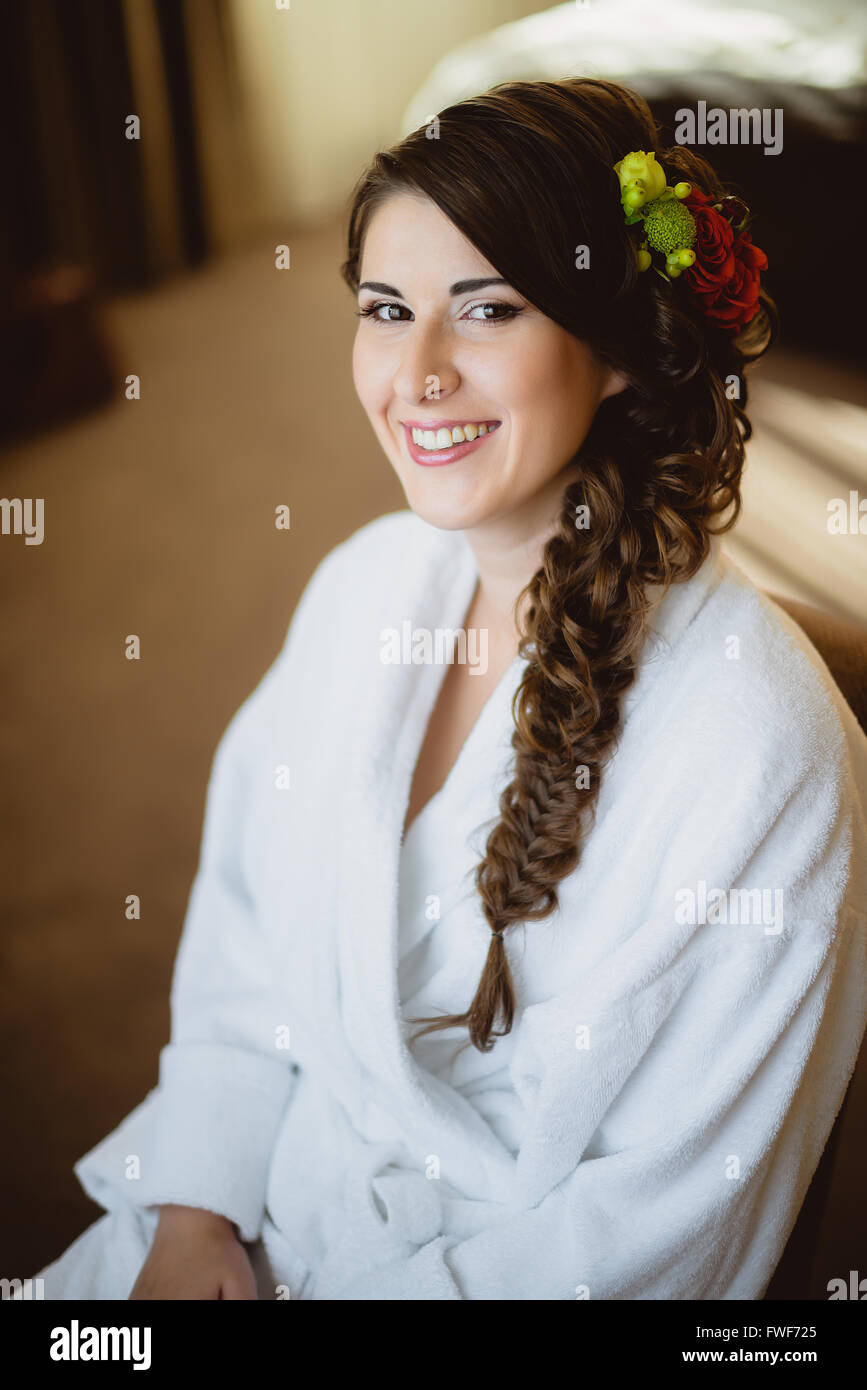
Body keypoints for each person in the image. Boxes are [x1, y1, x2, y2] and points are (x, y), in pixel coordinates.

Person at [31, 77, 867, 1301]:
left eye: (486, 310)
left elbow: (670, 1221)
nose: (414, 374)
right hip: (233, 1220)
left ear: (626, 348)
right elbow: (252, 927)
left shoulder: (760, 749)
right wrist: (194, 1204)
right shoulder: (364, 590)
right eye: (386, 308)